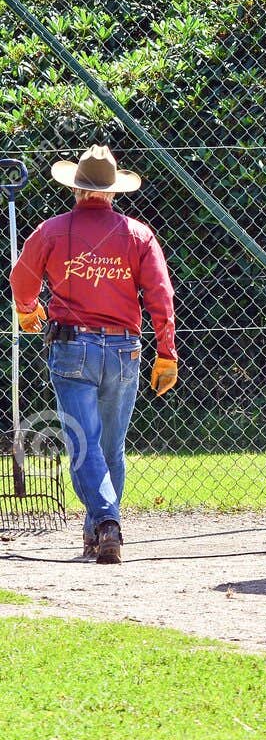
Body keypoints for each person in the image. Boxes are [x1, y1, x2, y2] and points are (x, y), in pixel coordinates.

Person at [9, 146, 177, 564]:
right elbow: (160, 295)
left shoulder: (51, 230)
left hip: (72, 348)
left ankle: (106, 524)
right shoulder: (138, 234)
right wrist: (167, 352)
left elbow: (22, 280)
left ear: (77, 189)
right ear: (112, 192)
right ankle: (99, 532)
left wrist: (28, 311)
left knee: (84, 445)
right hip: (125, 350)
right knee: (110, 447)